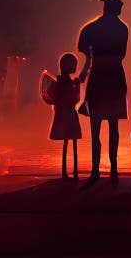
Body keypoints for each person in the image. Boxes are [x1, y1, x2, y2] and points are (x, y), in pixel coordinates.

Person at [77, 0, 129, 185]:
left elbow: (85, 51)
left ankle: (96, 169)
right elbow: (122, 53)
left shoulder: (90, 28)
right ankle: (113, 169)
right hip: (114, 75)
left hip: (99, 76)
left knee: (95, 126)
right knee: (113, 126)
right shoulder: (123, 29)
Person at [47, 52, 86, 180]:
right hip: (69, 114)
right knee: (73, 142)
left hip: (62, 114)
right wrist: (77, 86)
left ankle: (65, 171)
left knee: (66, 143)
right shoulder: (69, 82)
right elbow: (75, 99)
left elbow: (54, 97)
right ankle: (74, 172)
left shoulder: (57, 81)